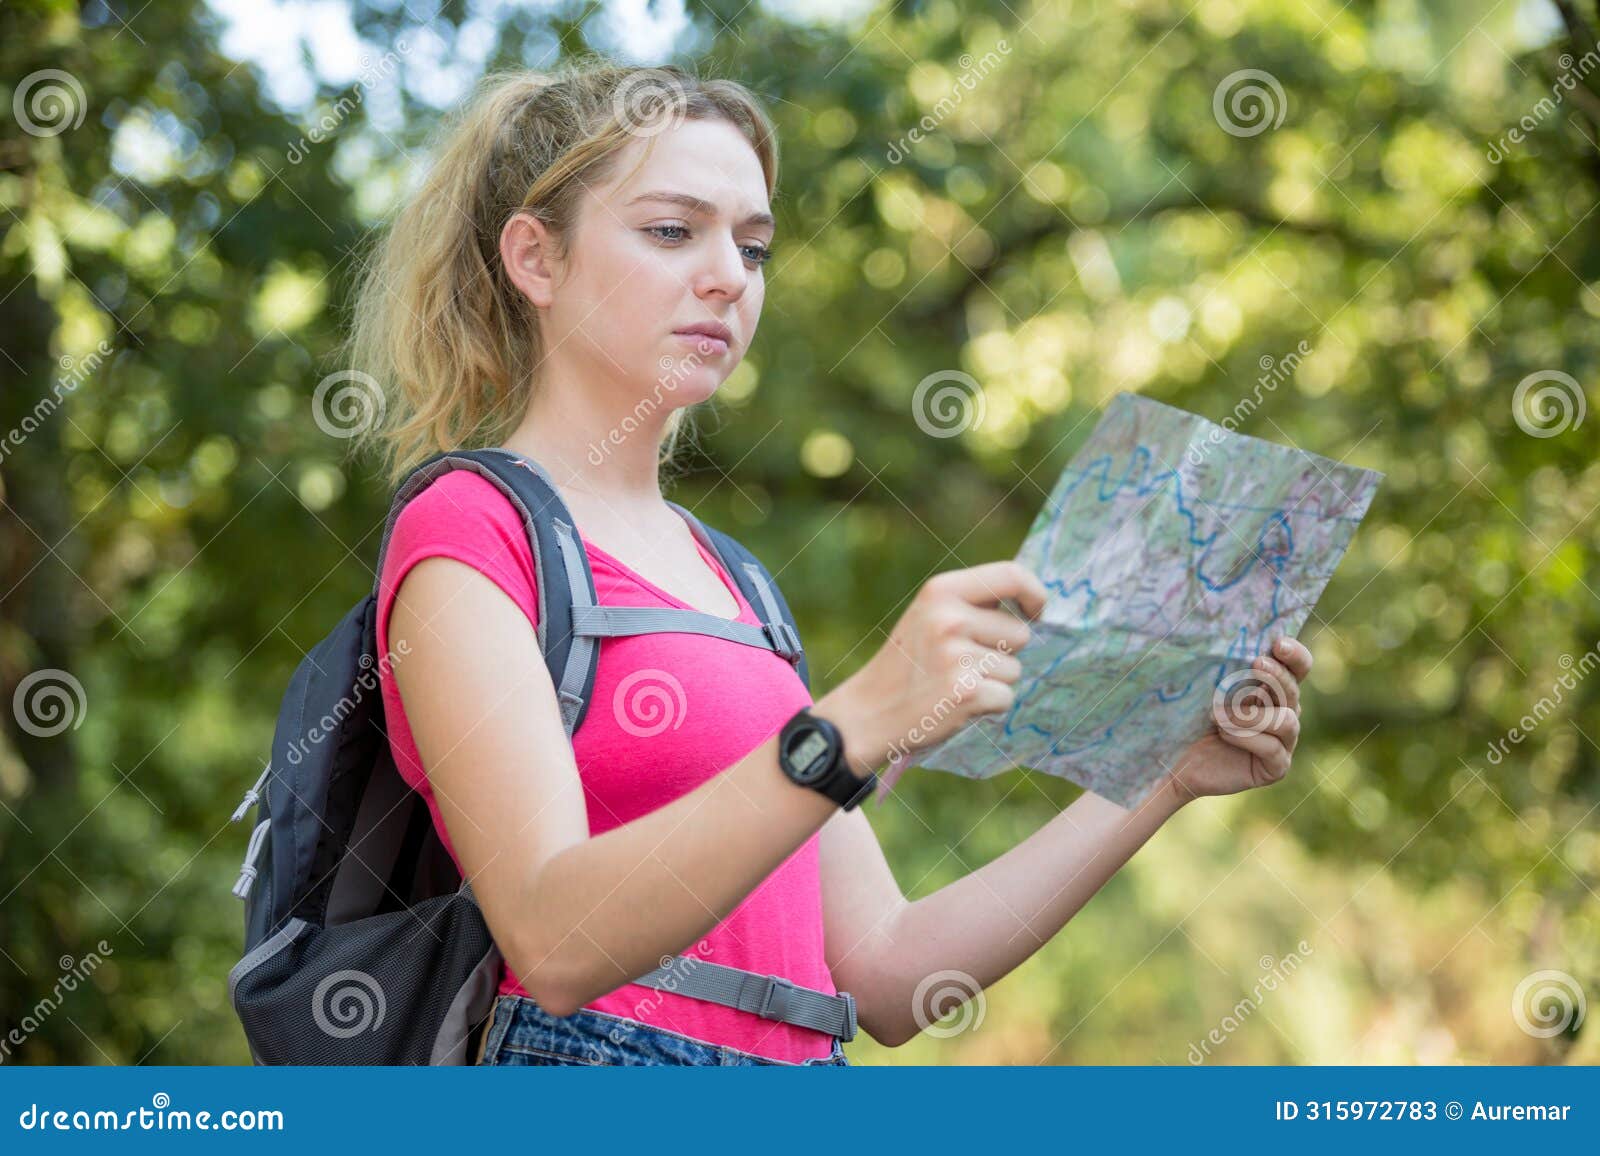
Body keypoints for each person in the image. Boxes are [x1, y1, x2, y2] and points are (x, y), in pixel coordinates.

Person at [347, 56, 1312, 1067]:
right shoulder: (472, 525)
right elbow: (551, 937)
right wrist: (854, 722)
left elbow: (889, 974)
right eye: (672, 230)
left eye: (752, 245)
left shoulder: (736, 582)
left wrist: (1159, 776)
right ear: (536, 259)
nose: (728, 275)